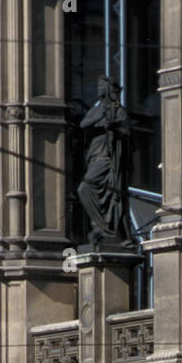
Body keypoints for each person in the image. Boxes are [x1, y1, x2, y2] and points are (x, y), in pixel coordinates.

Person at [77, 76, 133, 246]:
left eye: (102, 86)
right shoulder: (97, 109)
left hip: (107, 159)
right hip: (94, 158)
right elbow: (83, 124)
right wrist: (99, 117)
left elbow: (127, 134)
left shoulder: (118, 110)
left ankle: (104, 227)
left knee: (84, 188)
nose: (99, 88)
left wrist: (115, 128)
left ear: (109, 89)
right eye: (99, 85)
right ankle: (100, 224)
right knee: (86, 189)